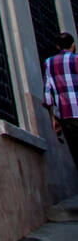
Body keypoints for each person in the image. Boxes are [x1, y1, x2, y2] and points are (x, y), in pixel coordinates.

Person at [44, 31, 78, 169]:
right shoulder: (76, 60)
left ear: (58, 47)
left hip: (66, 117)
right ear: (73, 45)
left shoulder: (49, 63)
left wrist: (54, 119)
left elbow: (47, 95)